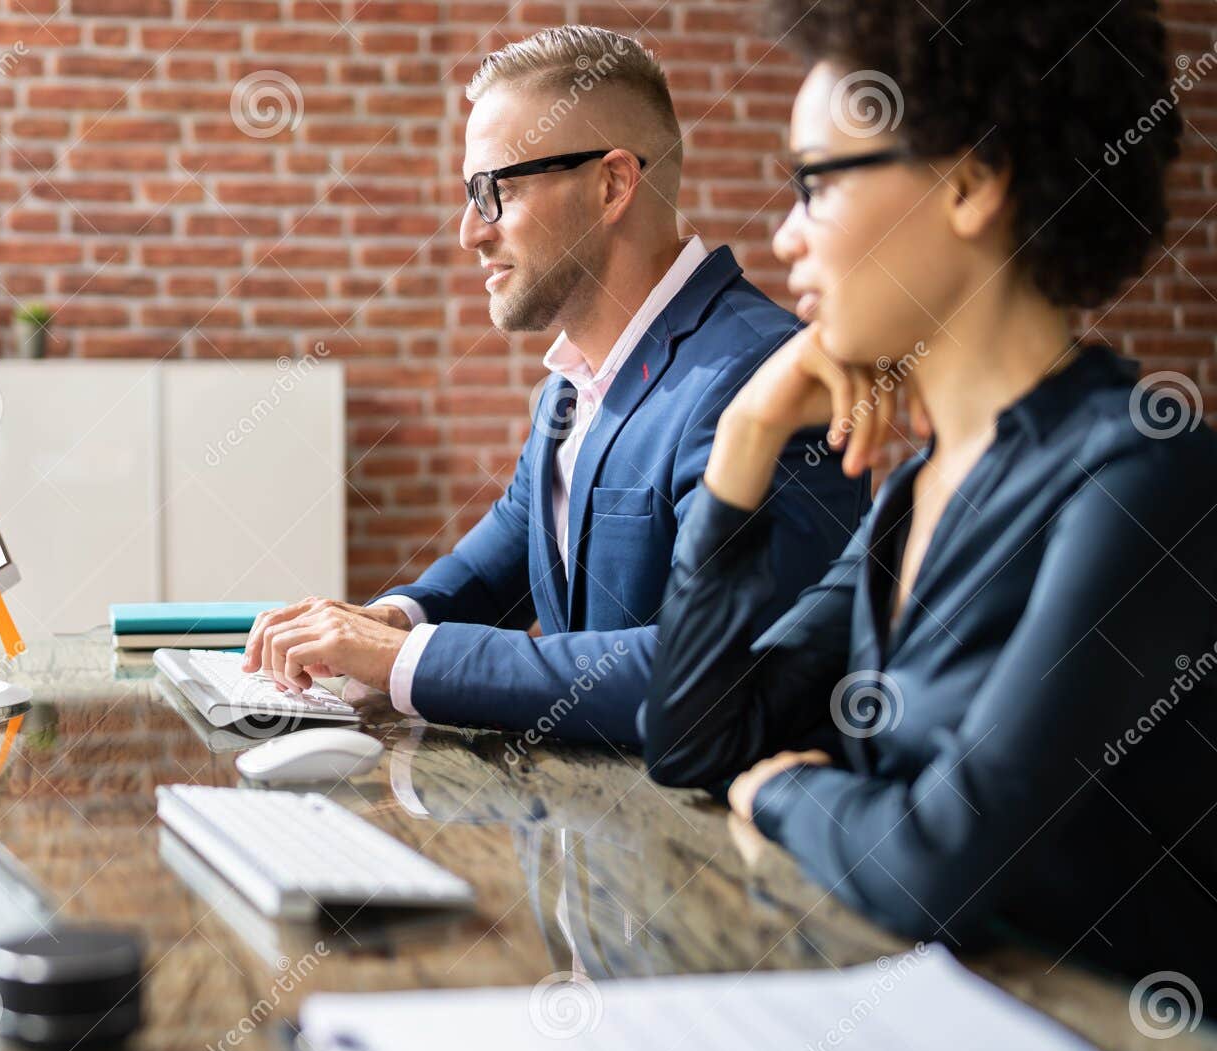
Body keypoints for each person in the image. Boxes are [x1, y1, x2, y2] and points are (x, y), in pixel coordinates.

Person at [644, 0, 1217, 993]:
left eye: (815, 184)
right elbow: (695, 737)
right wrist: (744, 435)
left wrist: (788, 790)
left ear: (971, 181)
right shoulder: (915, 488)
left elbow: (936, 862)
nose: (783, 237)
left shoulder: (1145, 473)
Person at [244, 26, 867, 746]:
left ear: (610, 185)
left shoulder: (763, 377)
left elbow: (712, 673)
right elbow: (499, 559)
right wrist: (387, 621)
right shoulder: (572, 385)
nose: (469, 233)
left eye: (494, 191)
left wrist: (402, 659)